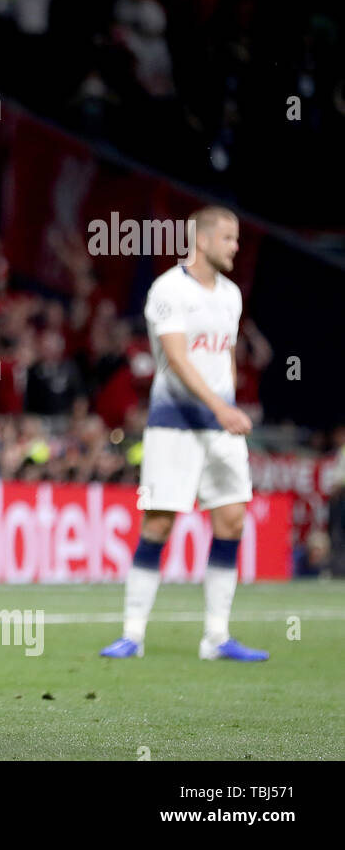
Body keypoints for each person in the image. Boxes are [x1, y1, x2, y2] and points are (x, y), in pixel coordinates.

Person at [100, 207, 267, 661]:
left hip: (223, 428)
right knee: (159, 522)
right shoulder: (168, 290)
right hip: (173, 426)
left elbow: (224, 356)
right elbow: (175, 358)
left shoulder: (231, 295)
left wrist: (228, 404)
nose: (236, 247)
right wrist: (222, 407)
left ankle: (216, 637)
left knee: (231, 520)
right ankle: (133, 634)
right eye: (230, 238)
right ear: (204, 239)